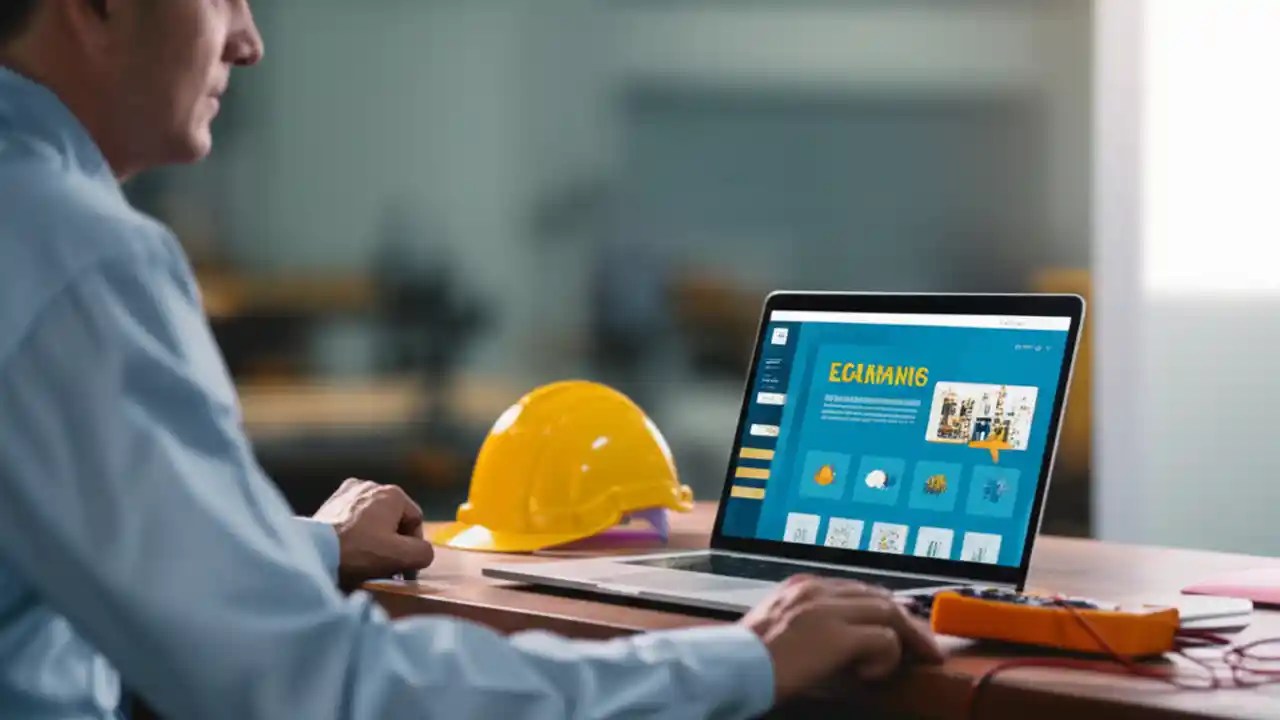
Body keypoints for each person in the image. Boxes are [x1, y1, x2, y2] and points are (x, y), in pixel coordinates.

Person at [0, 1, 944, 718]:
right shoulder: (75, 252)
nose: (248, 41)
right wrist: (745, 660)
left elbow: (53, 532)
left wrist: (309, 544)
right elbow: (311, 684)